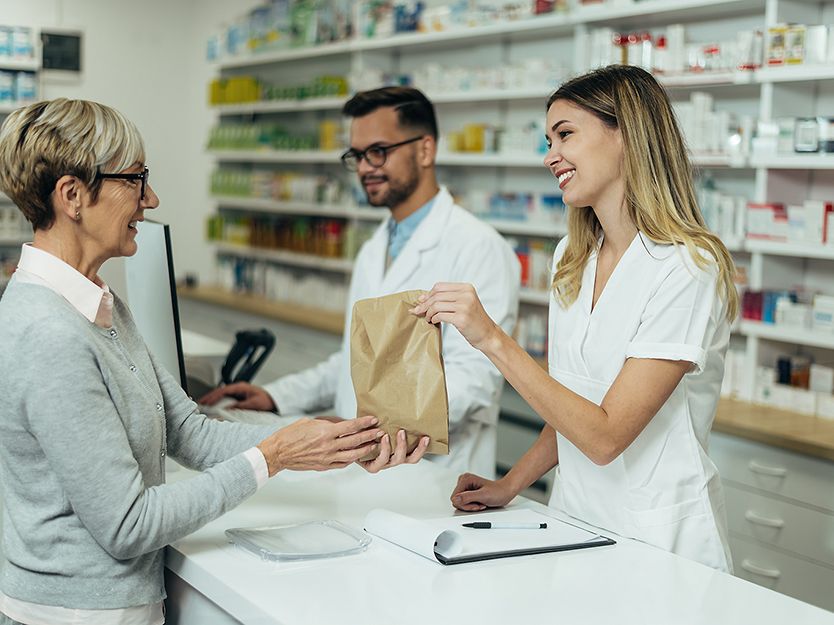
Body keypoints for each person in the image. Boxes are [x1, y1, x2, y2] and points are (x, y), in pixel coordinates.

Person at [0, 98, 408, 625]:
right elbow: (128, 525)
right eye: (135, 179)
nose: (151, 198)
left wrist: (323, 441)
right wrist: (271, 458)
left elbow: (189, 430)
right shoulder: (47, 332)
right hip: (73, 614)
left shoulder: (98, 302)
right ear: (73, 195)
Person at [412, 65, 739, 572]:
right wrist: (510, 485)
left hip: (661, 539)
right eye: (548, 140)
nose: (550, 155)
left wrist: (492, 339)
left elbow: (605, 436)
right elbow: (572, 406)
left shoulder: (687, 265)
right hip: (575, 522)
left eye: (565, 134)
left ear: (627, 134)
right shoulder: (574, 256)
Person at [200, 87, 520, 477]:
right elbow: (357, 361)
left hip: (435, 478)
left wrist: (372, 427)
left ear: (425, 150)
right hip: (363, 470)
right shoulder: (374, 248)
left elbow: (475, 377)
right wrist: (274, 396)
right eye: (357, 155)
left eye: (379, 151)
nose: (366, 167)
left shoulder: (479, 246)